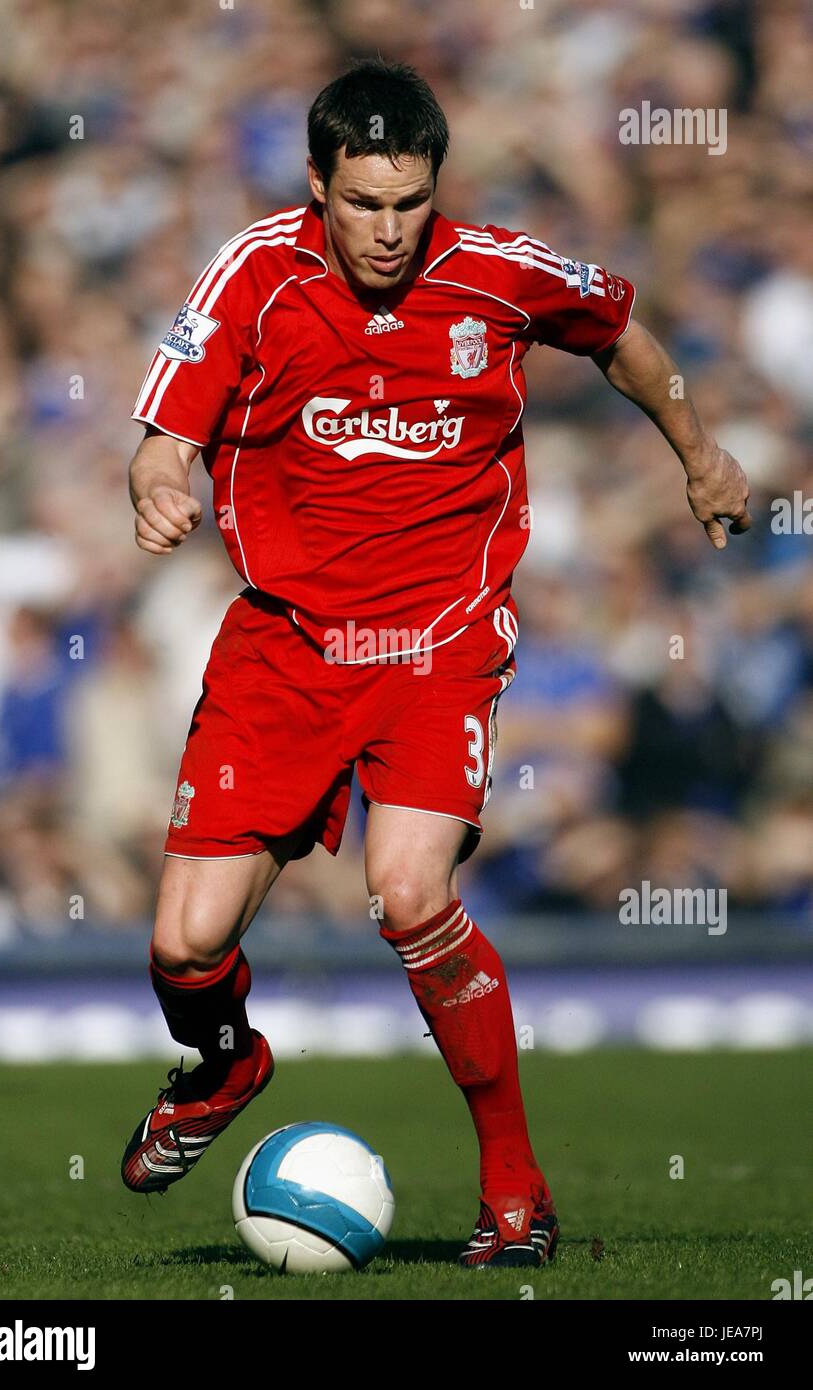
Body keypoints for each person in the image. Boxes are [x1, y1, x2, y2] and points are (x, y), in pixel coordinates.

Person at [121, 60, 751, 1268]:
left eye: (409, 203)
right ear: (317, 184)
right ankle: (227, 1060)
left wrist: (697, 447)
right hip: (283, 647)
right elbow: (164, 437)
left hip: (437, 643)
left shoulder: (500, 272)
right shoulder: (253, 273)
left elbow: (621, 332)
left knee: (410, 894)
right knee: (185, 948)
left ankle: (514, 1193)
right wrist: (159, 486)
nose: (388, 230)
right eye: (362, 202)